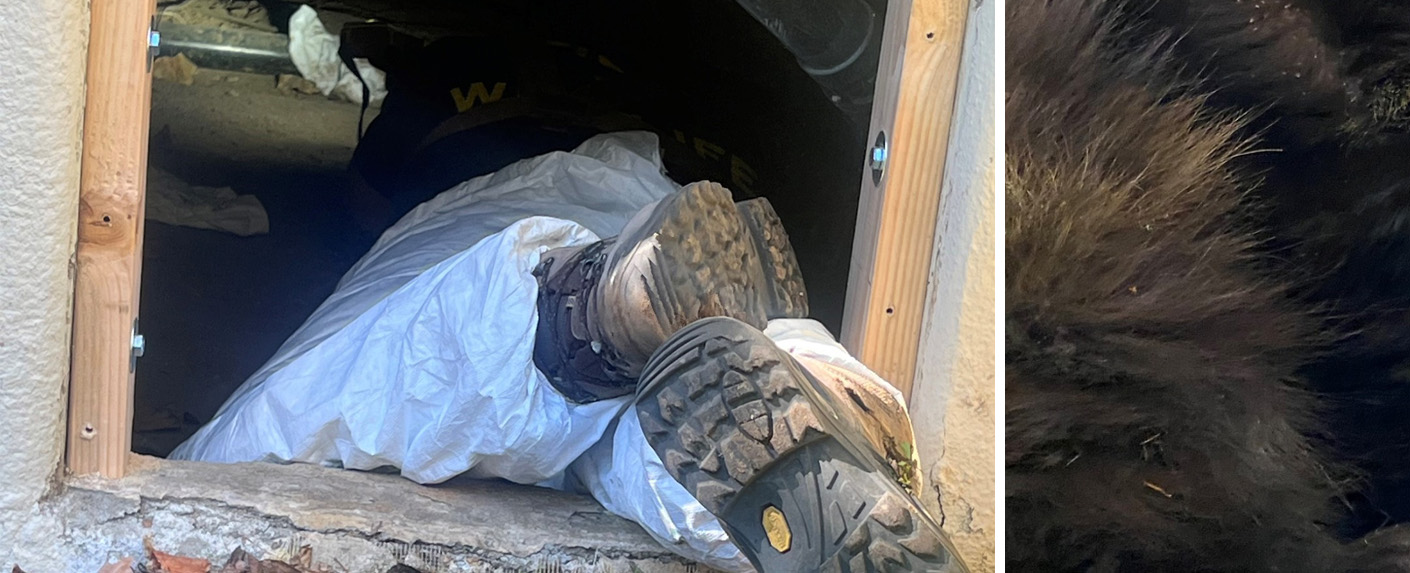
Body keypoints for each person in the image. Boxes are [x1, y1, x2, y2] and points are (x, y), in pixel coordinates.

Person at [175, 123, 964, 573]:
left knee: (364, 381)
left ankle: (578, 317)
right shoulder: (618, 154)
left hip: (544, 216)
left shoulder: (438, 159)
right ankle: (829, 396)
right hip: (644, 231)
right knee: (668, 426)